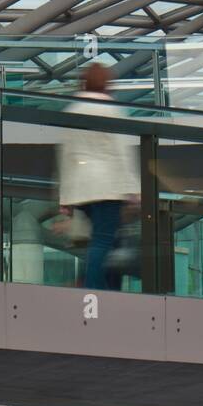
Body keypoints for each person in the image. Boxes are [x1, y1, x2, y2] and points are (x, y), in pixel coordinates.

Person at [56, 63, 140, 292]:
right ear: (106, 83)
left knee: (103, 239)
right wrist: (133, 189)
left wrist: (65, 198)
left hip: (82, 189)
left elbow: (67, 155)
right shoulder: (110, 109)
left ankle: (101, 285)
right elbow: (122, 152)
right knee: (104, 239)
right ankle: (93, 287)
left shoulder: (72, 110)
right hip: (107, 187)